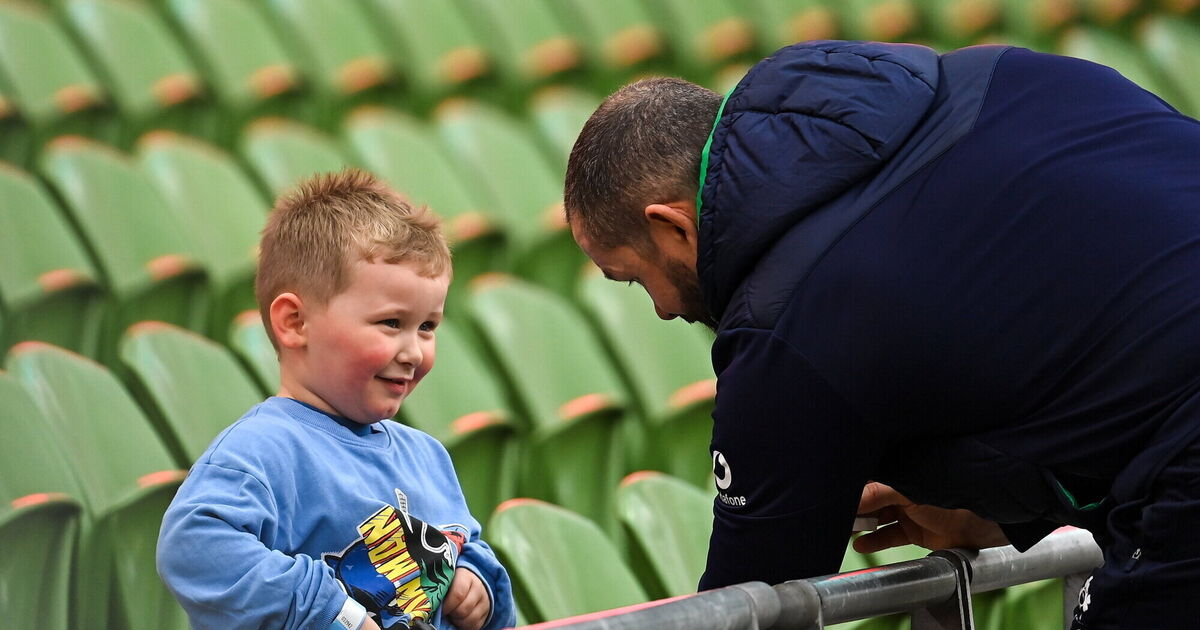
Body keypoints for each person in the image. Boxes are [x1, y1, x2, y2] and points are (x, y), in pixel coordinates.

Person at [564, 39, 1200, 629]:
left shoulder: (783, 322)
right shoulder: (1002, 72)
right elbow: (1069, 323)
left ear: (671, 225)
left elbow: (749, 602)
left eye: (635, 279)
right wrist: (988, 501)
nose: (663, 312)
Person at [157, 170, 514, 630]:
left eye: (427, 327)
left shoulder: (427, 456)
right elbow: (194, 546)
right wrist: (332, 611)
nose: (413, 351)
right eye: (390, 323)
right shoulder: (262, 450)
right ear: (295, 323)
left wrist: (476, 583)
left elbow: (466, 544)